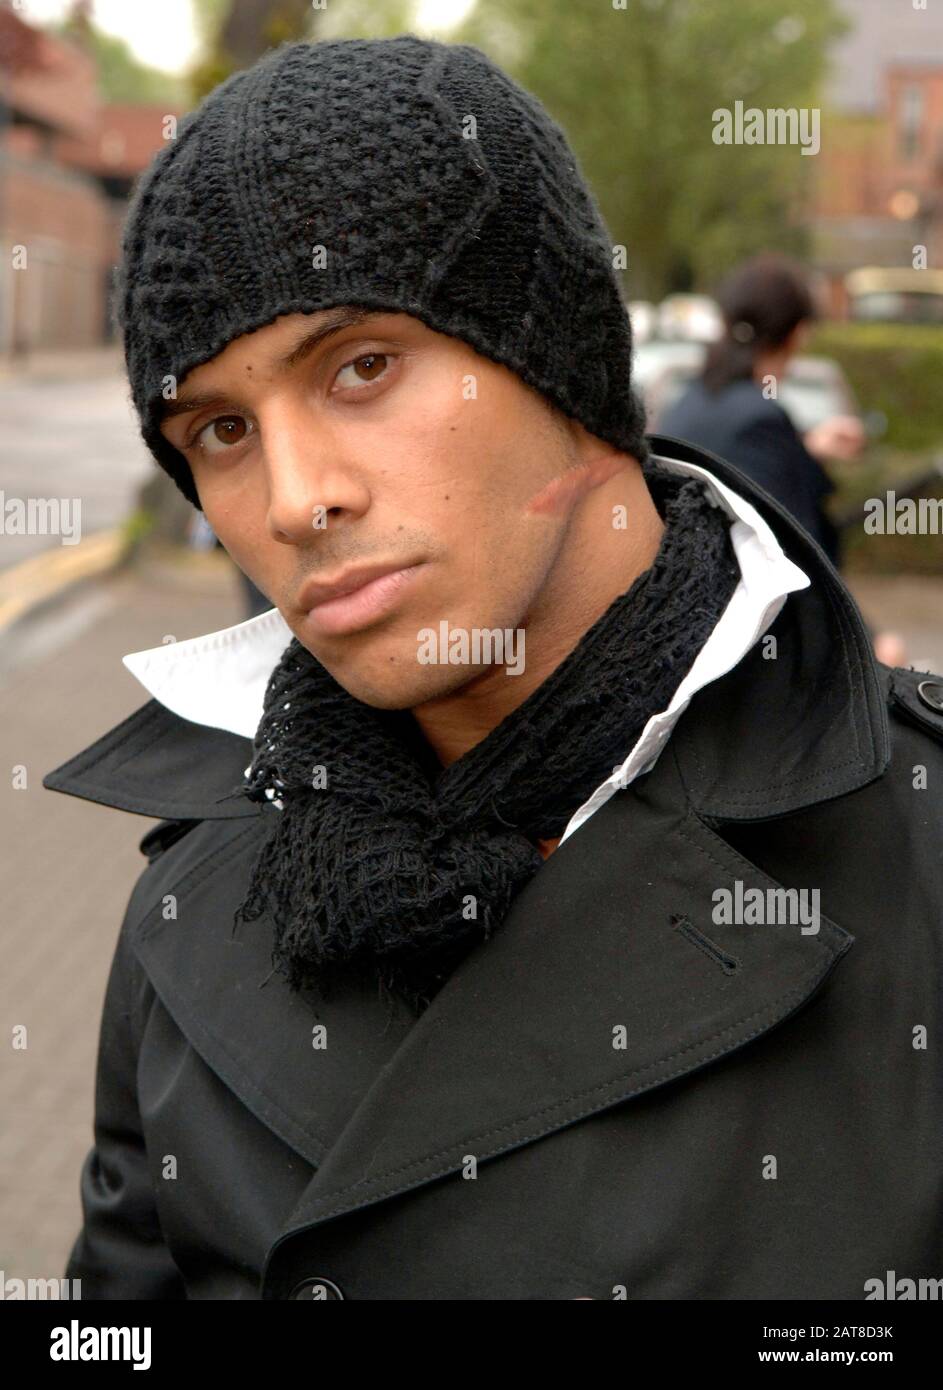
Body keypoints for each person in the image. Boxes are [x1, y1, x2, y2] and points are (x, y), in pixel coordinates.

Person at [44, 36, 943, 1301]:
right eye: (222, 429)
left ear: (556, 358)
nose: (296, 501)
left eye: (360, 365)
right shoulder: (194, 894)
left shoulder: (912, 850)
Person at [658, 254, 863, 566]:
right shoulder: (761, 421)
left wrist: (804, 447)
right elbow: (800, 562)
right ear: (797, 334)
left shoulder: (690, 399)